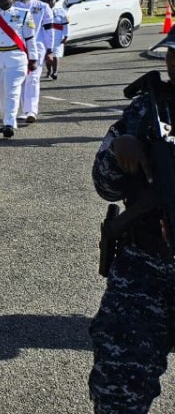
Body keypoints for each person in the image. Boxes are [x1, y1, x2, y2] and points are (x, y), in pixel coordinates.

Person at [88, 35, 175, 413]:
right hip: (145, 269)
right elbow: (104, 187)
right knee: (118, 389)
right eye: (173, 54)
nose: (173, 62)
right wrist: (119, 151)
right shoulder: (146, 110)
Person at [0, 0, 37, 138]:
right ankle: (8, 120)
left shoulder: (24, 14)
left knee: (12, 91)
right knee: (1, 92)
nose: (2, 0)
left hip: (15, 57)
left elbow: (30, 39)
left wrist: (33, 58)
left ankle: (9, 123)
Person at [15, 0, 54, 123]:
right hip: (18, 48)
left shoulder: (42, 6)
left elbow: (49, 29)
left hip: (37, 47)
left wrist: (50, 50)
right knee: (22, 79)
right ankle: (25, 109)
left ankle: (31, 110)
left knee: (33, 78)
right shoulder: (14, 7)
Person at [44, 0, 68, 80]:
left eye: (52, 0)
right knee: (47, 55)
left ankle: (55, 72)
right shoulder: (43, 10)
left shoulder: (61, 11)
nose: (50, 2)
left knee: (56, 54)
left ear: (55, 0)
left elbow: (66, 25)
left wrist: (66, 36)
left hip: (58, 36)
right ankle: (49, 70)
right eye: (49, 0)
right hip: (46, 36)